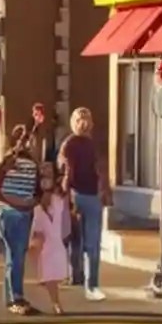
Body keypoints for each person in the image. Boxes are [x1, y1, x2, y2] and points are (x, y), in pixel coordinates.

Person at [58, 106, 111, 302]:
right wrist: (67, 193)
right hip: (77, 195)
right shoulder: (71, 144)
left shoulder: (89, 144)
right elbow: (66, 171)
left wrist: (104, 190)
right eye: (80, 120)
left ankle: (89, 282)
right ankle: (81, 277)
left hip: (89, 196)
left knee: (88, 241)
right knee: (79, 240)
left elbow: (100, 169)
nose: (84, 123)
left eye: (86, 119)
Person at [0, 124, 38, 316]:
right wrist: (16, 203)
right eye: (21, 137)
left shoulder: (34, 163)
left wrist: (35, 201)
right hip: (8, 214)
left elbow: (37, 189)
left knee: (16, 257)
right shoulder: (8, 161)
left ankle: (12, 296)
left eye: (28, 138)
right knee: (15, 257)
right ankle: (15, 299)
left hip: (25, 214)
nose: (25, 141)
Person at [30, 162, 71, 315]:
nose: (45, 171)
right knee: (47, 265)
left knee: (57, 269)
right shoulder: (37, 193)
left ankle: (50, 286)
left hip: (57, 234)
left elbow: (66, 212)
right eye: (43, 168)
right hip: (42, 227)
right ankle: (56, 302)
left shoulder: (60, 194)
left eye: (49, 168)